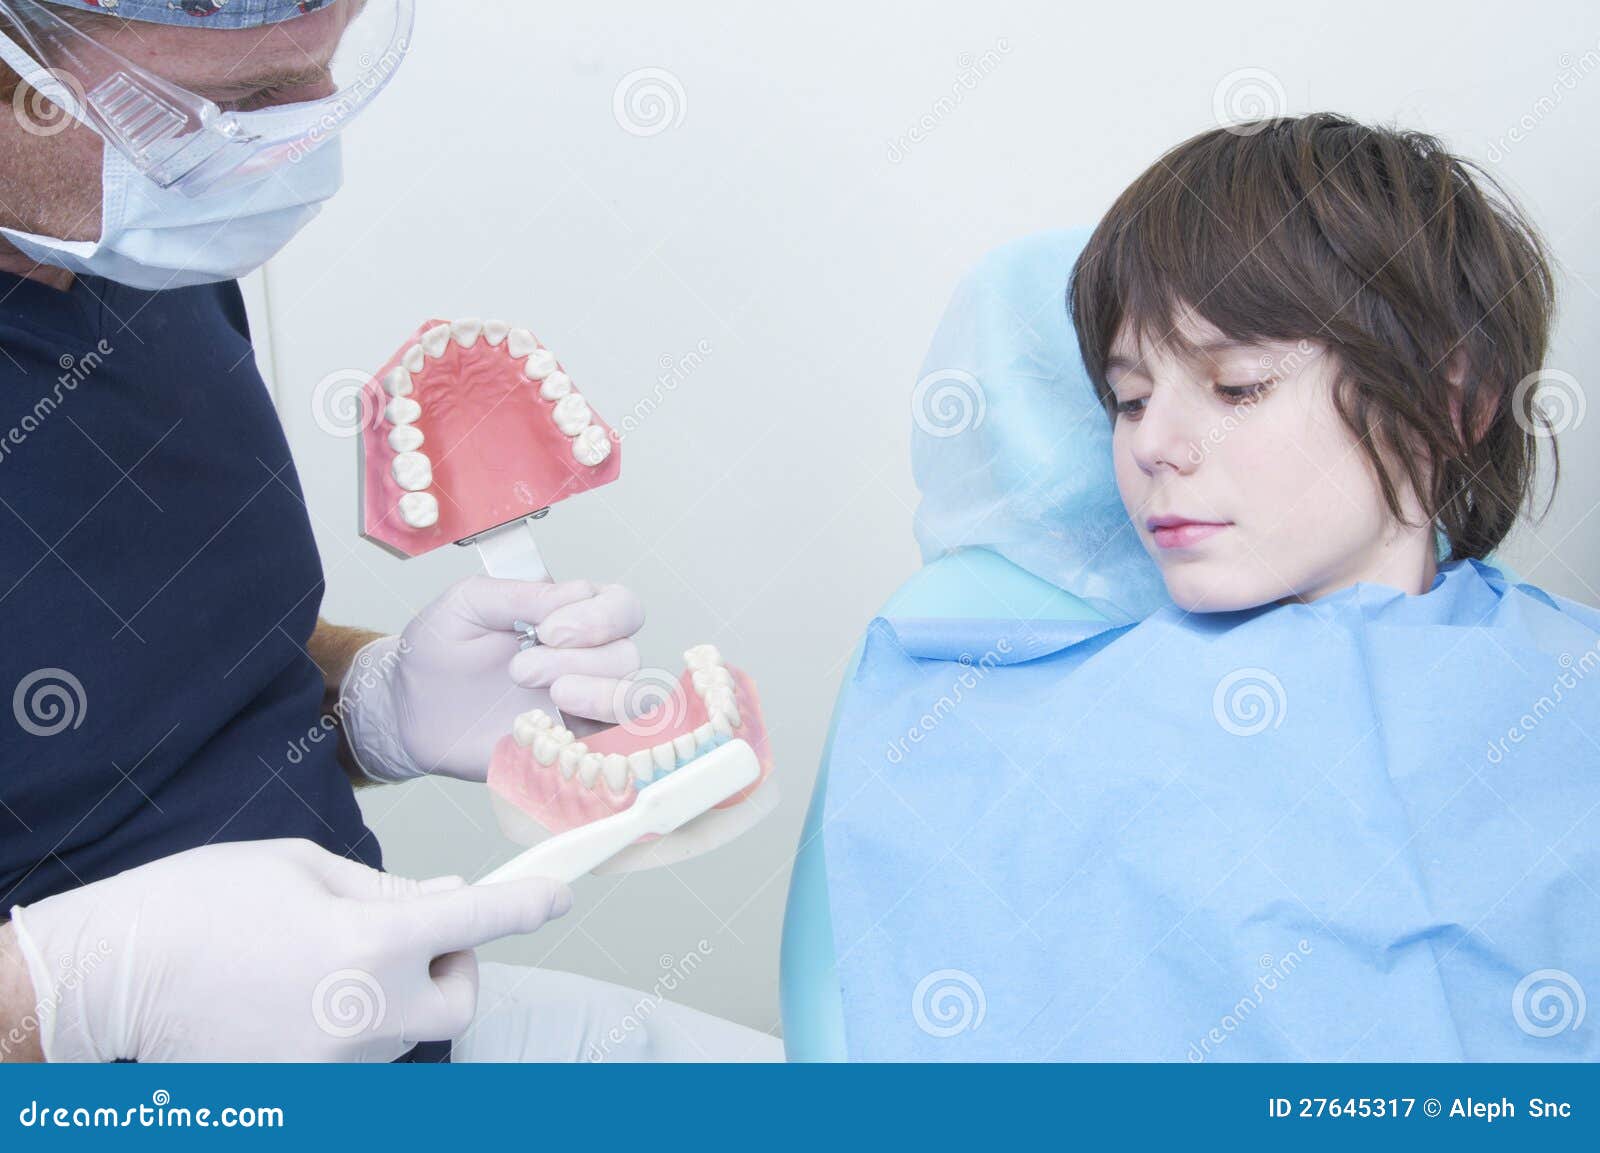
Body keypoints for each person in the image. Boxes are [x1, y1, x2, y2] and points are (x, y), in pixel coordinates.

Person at [0, 0, 777, 1063]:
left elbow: (139, 673)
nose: (302, 133)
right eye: (240, 104)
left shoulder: (133, 246)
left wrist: (369, 703)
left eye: (323, 70)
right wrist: (77, 991)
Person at [791, 113, 1600, 1060]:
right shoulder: (988, 697)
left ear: (1450, 399)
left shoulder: (1561, 688)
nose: (1152, 444)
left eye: (1238, 386)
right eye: (1129, 398)